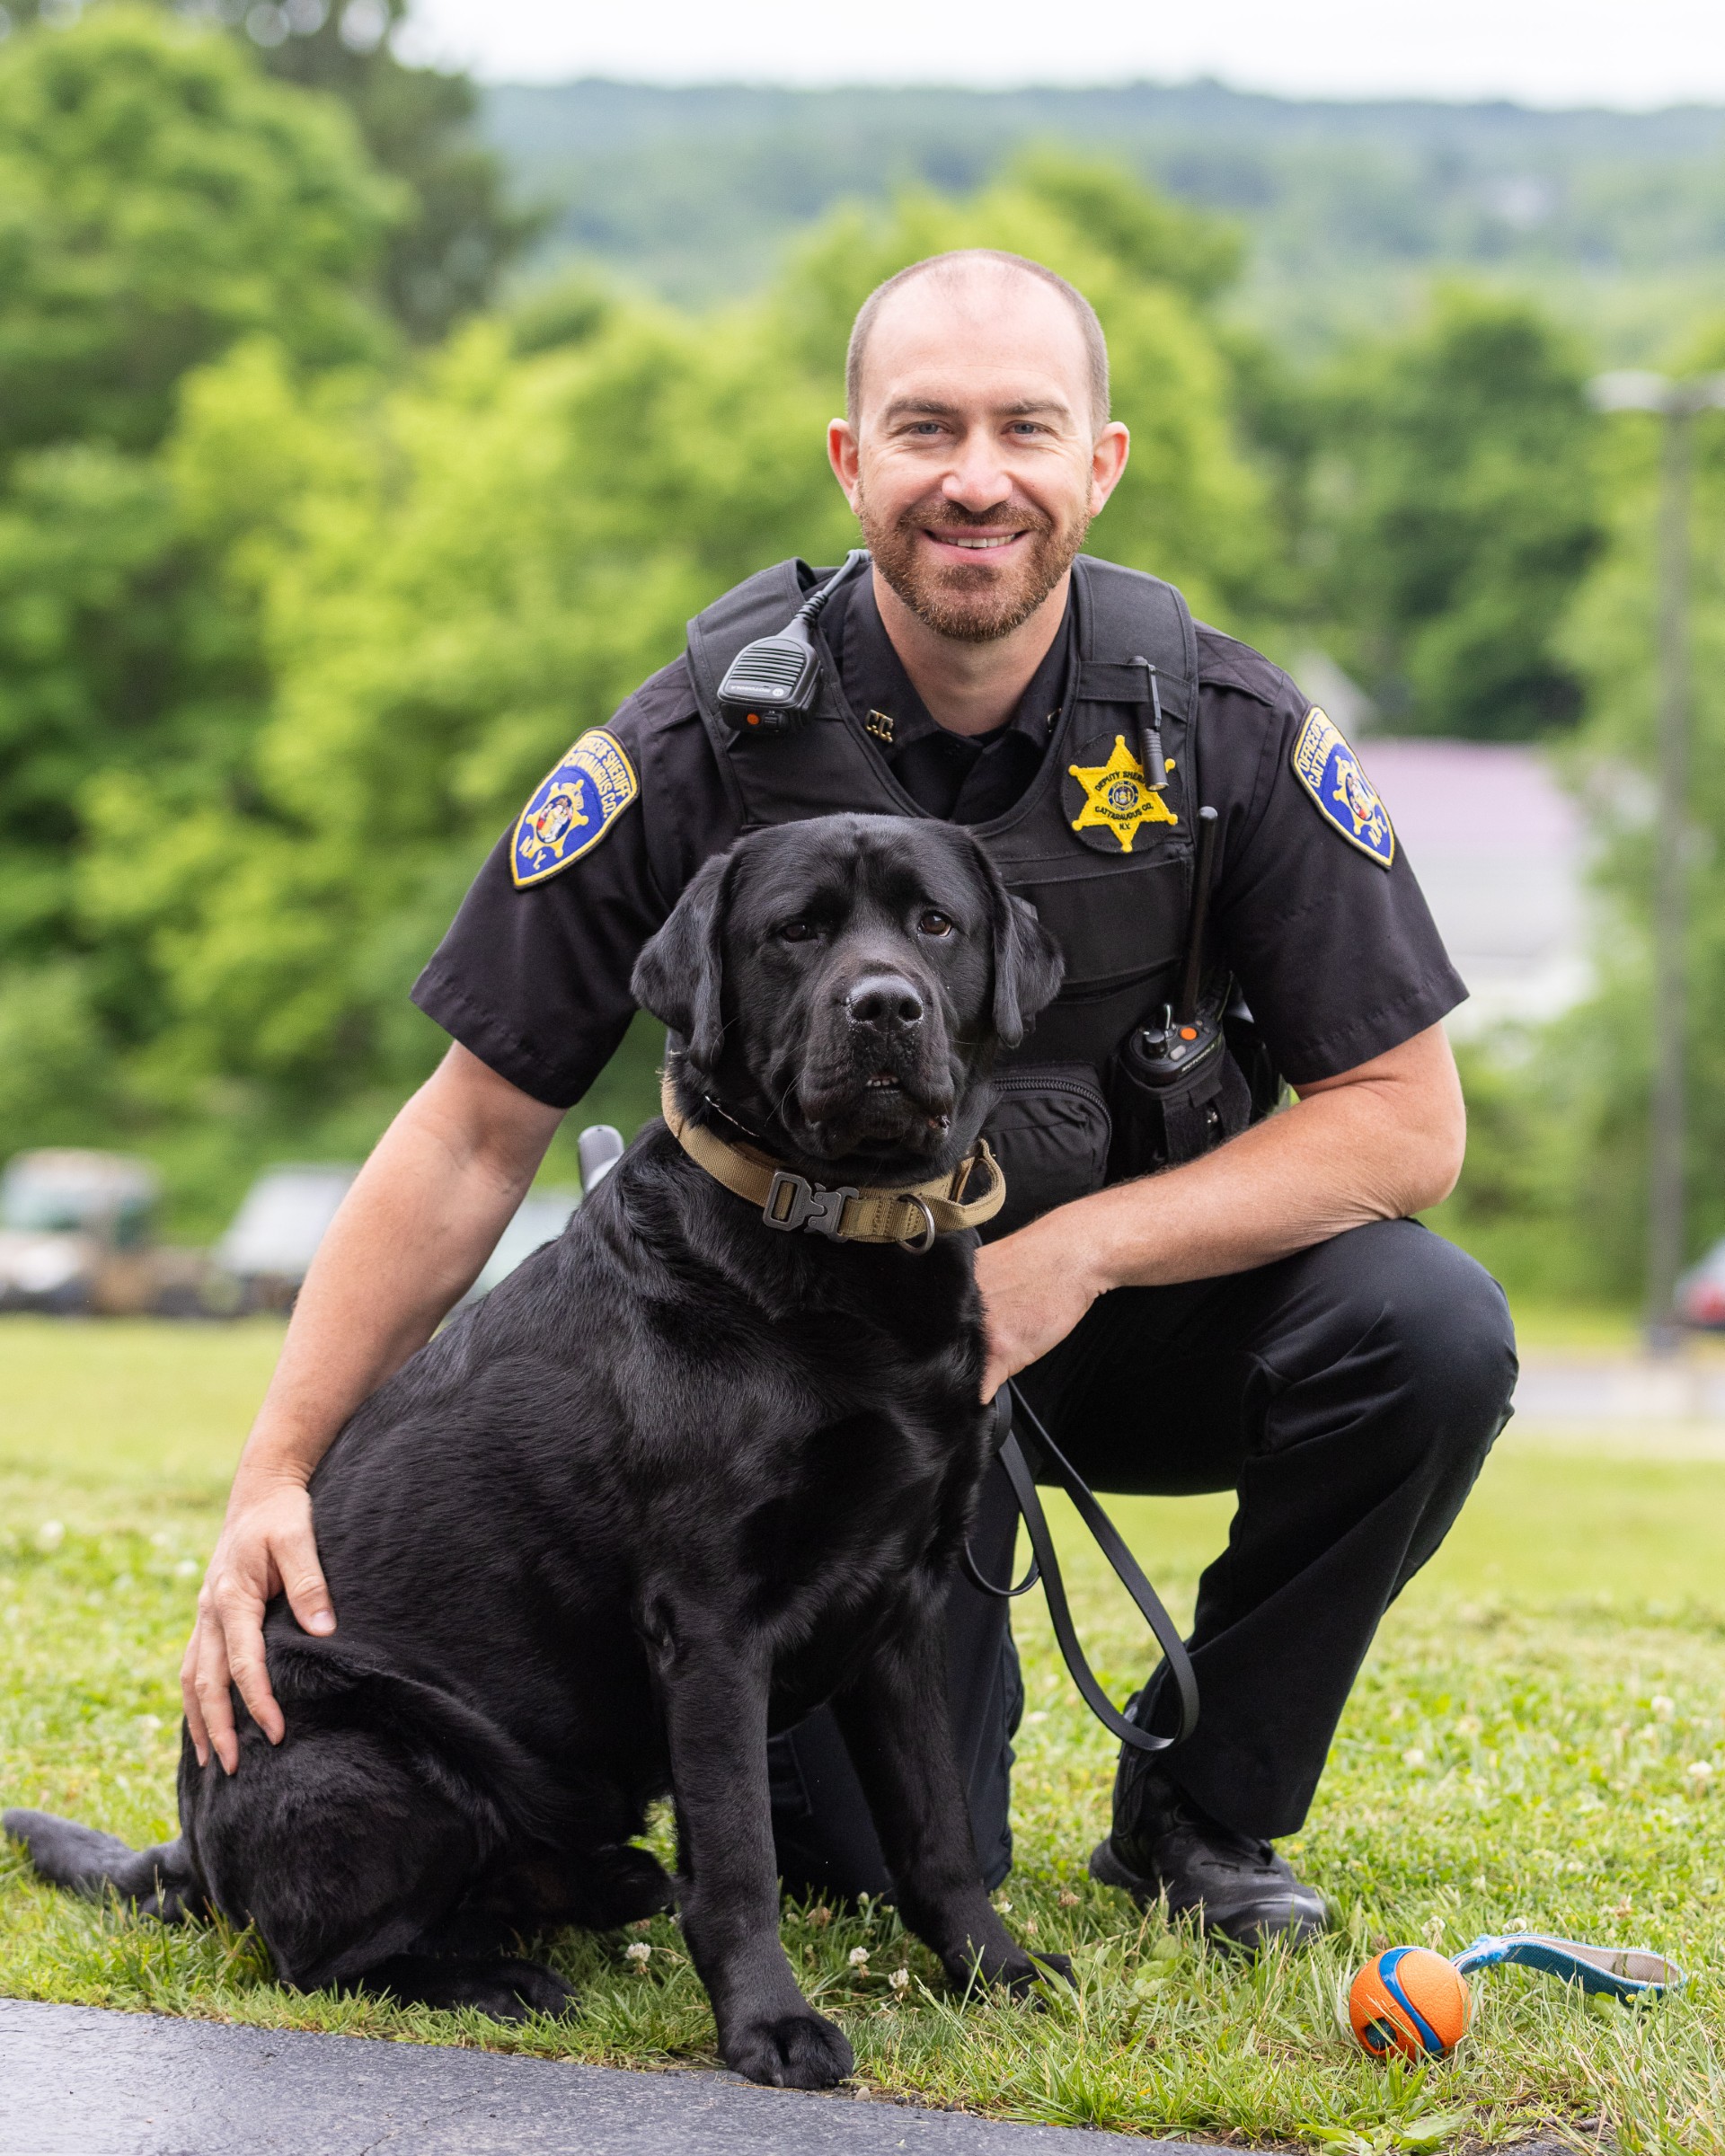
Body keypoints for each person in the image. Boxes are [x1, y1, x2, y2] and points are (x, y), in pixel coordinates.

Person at [181, 250, 1517, 1950]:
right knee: (879, 1878)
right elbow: (467, 1129)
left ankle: (1207, 1817)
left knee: (1429, 1328)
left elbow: (1409, 1122)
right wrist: (275, 1476)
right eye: (926, 429)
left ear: (1099, 464)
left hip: (1115, 1318)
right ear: (850, 462)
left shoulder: (1223, 730)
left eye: (1027, 429)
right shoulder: (694, 744)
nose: (978, 477)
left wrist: (1078, 1256)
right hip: (795, 1375)